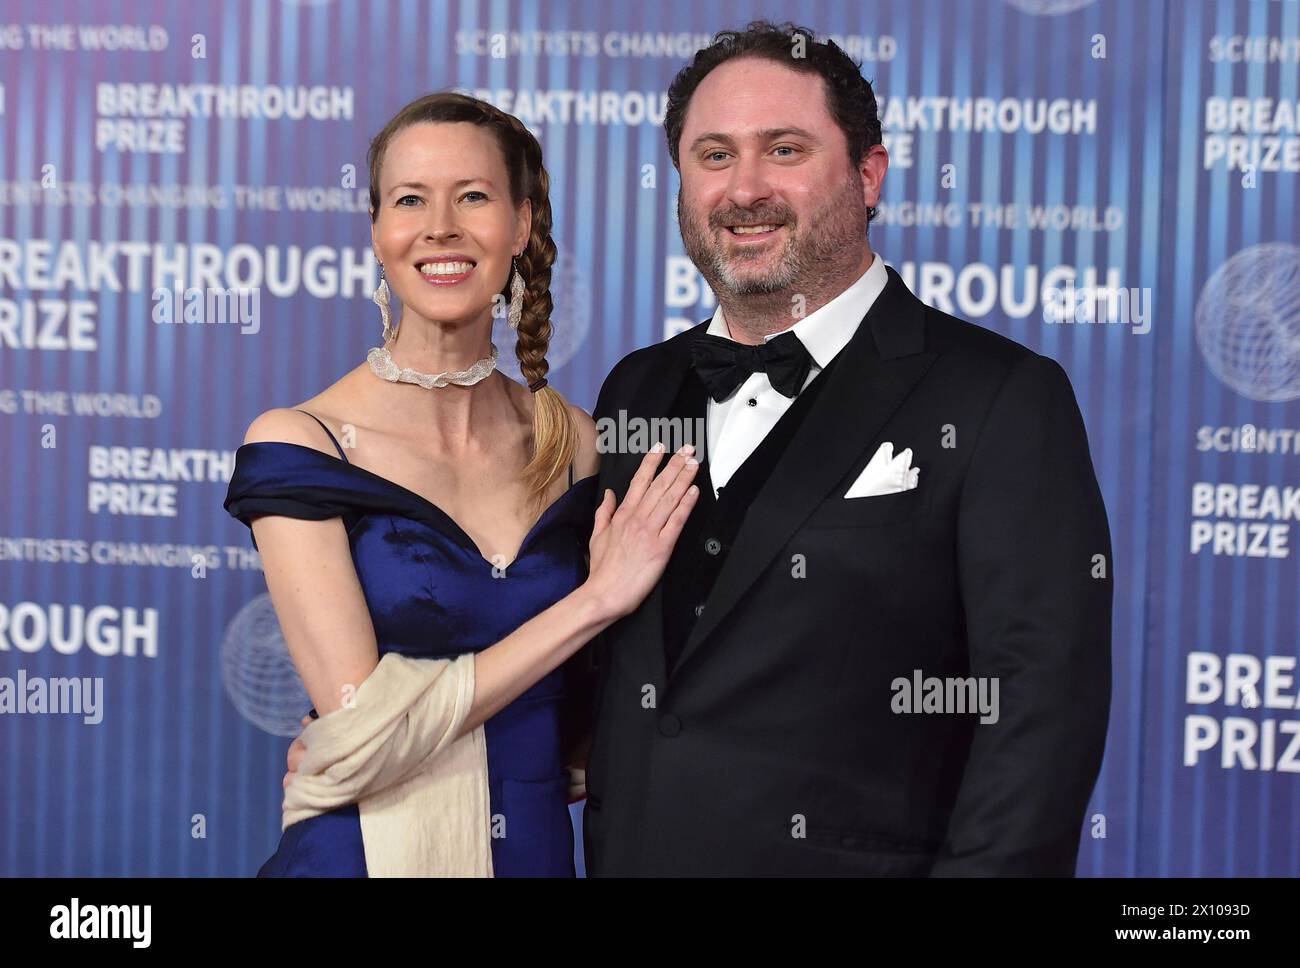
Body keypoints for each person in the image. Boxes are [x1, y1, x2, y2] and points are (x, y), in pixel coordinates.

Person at [583, 22, 1113, 876]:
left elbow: (1037, 720)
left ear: (868, 175)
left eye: (784, 149)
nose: (743, 188)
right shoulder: (635, 391)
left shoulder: (999, 397)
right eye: (713, 155)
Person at [224, 92, 698, 877]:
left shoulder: (572, 442)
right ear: (379, 233)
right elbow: (364, 731)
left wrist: (487, 743)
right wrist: (594, 601)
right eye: (411, 199)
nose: (440, 225)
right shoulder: (300, 444)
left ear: (520, 226)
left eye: (472, 196)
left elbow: (589, 714)